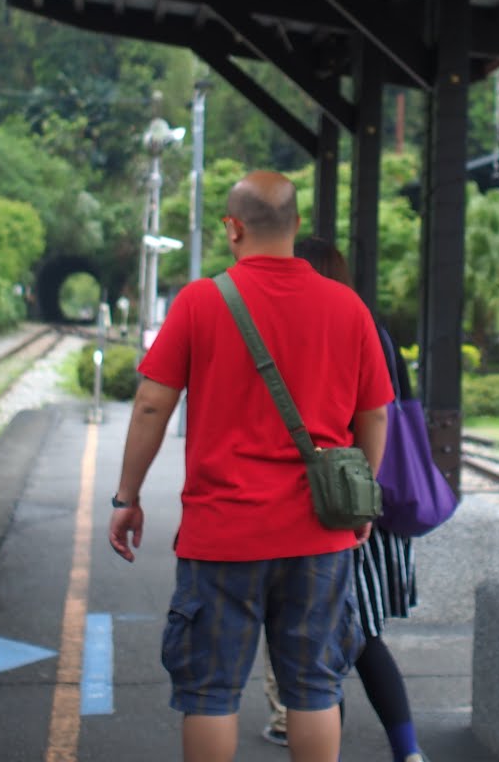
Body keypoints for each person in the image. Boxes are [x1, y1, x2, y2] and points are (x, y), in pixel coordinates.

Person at [107, 171, 392, 762]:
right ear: (294, 227)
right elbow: (376, 416)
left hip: (223, 534)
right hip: (319, 531)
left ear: (233, 228)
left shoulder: (201, 301)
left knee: (209, 692)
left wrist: (126, 497)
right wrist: (360, 501)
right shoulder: (348, 308)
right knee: (315, 686)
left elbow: (152, 403)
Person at [265, 237, 425, 762]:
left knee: (348, 636)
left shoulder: (336, 329)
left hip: (351, 507)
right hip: (370, 500)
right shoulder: (372, 328)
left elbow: (366, 417)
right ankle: (396, 747)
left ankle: (395, 747)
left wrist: (361, 501)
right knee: (349, 633)